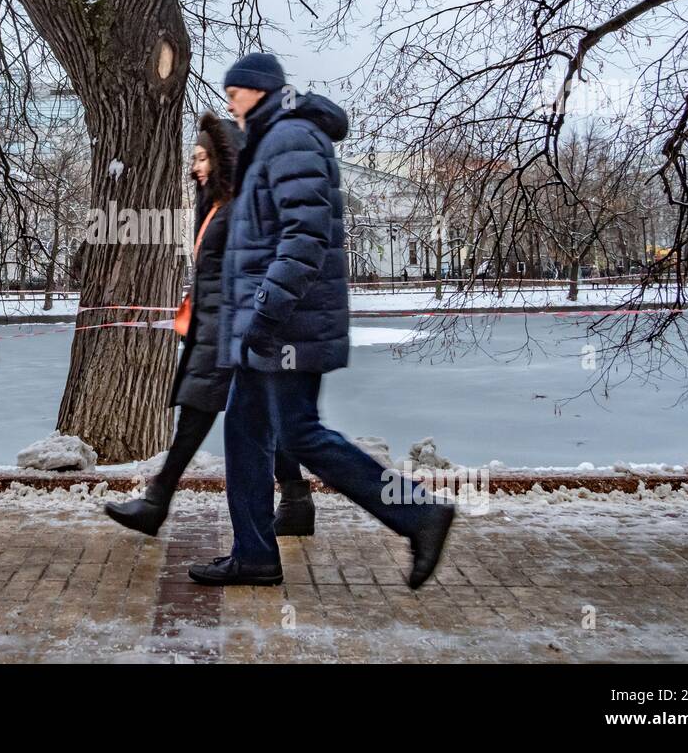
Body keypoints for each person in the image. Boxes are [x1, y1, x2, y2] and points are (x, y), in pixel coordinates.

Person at [188, 52, 456, 588]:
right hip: (269, 326)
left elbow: (304, 239)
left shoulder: (290, 138)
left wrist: (264, 309)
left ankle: (419, 513)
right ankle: (255, 555)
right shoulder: (270, 140)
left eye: (236, 94)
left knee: (301, 433)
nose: (230, 104)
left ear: (259, 92)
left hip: (288, 325)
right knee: (245, 434)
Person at [105, 113, 312, 537]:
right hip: (216, 326)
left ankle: (157, 502)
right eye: (194, 158)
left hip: (229, 330)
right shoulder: (218, 204)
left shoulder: (241, 208)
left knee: (197, 414)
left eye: (202, 157)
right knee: (266, 416)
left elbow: (253, 271)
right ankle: (295, 500)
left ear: (223, 157)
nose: (195, 166)